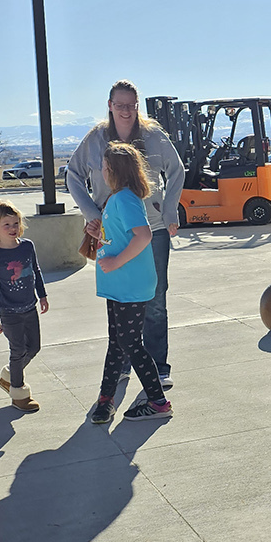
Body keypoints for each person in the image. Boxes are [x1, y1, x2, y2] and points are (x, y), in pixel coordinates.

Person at [67, 79, 186, 389]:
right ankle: (120, 364)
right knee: (118, 298)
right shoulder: (95, 139)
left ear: (138, 105)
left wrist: (170, 209)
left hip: (154, 226)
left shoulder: (154, 136)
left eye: (131, 106)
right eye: (119, 105)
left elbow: (178, 171)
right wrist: (92, 215)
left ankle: (158, 366)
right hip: (112, 232)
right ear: (109, 105)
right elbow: (72, 175)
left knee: (155, 297)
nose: (125, 111)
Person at [88, 141, 172, 424]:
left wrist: (114, 263)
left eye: (103, 166)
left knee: (131, 343)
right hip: (119, 285)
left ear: (113, 170)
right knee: (118, 342)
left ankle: (158, 402)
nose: (100, 170)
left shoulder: (124, 198)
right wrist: (98, 231)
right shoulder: (116, 199)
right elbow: (121, 235)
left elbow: (144, 235)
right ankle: (106, 398)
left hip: (129, 285)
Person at [0, 201, 48, 413]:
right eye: (6, 224)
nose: (13, 228)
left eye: (16, 223)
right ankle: (18, 393)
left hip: (30, 307)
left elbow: (36, 271)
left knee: (34, 348)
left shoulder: (27, 246)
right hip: (9, 312)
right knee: (18, 349)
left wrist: (43, 295)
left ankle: (10, 375)